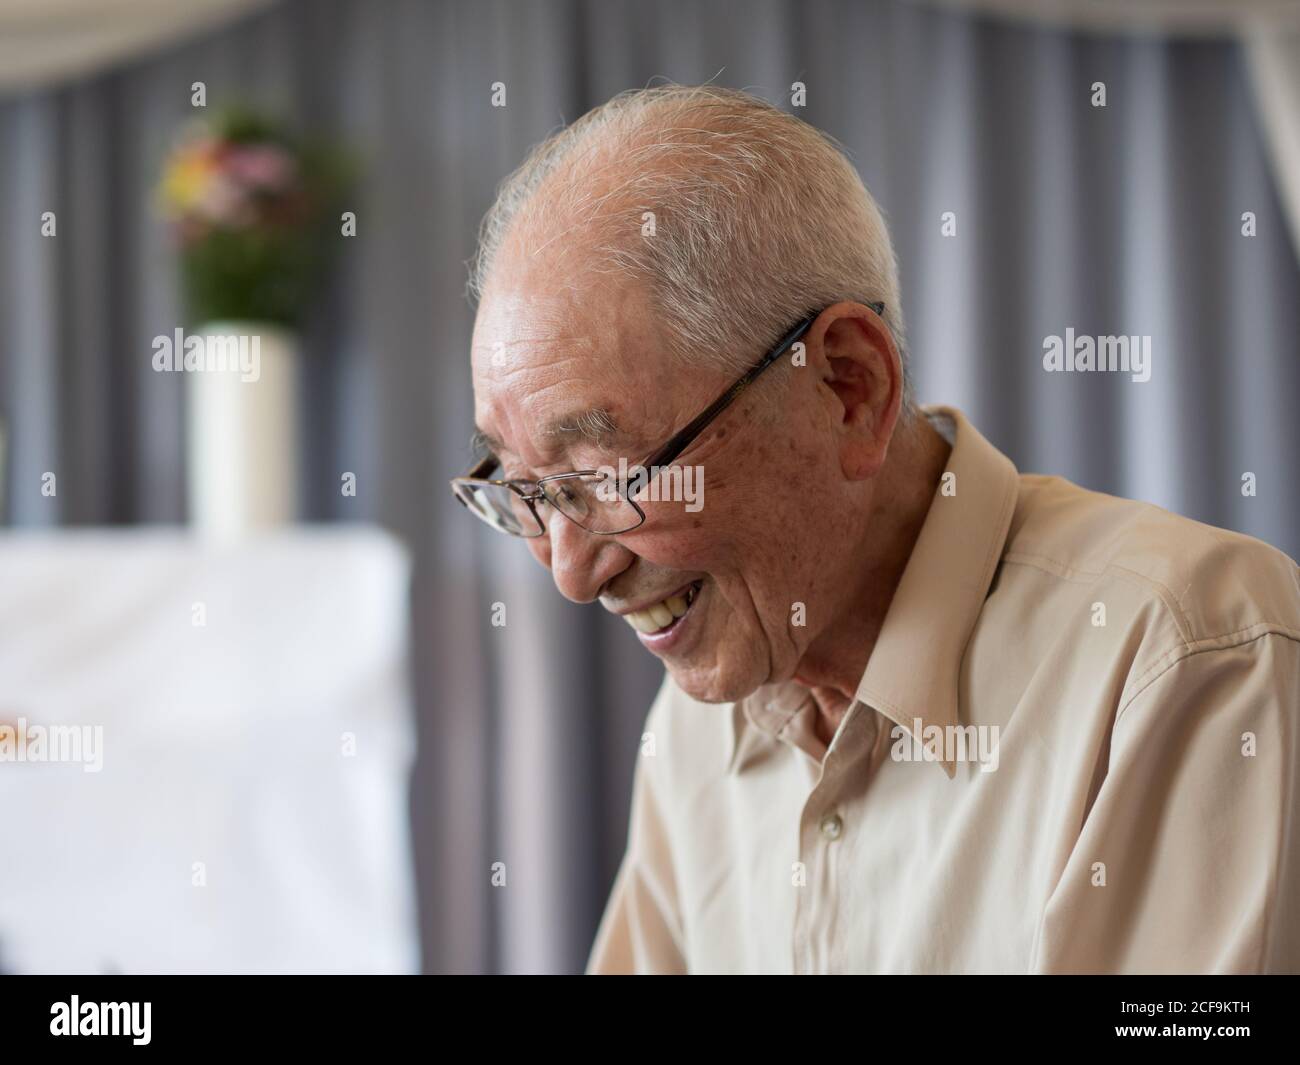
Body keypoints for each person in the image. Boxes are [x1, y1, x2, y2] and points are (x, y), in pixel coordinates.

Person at [452, 85, 1300, 974]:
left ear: (850, 388)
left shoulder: (1188, 652)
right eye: (526, 490)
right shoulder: (702, 722)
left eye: (608, 475)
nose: (572, 575)